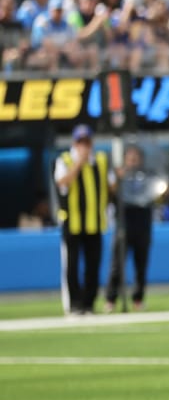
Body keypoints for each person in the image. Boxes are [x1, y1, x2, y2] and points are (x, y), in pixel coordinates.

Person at [53, 123, 112, 315]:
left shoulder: (101, 161)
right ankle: (75, 303)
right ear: (74, 143)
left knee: (93, 265)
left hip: (95, 222)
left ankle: (89, 303)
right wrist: (79, 163)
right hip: (73, 223)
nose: (84, 146)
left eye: (87, 142)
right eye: (81, 142)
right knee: (72, 265)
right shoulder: (65, 160)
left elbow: (112, 185)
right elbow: (62, 182)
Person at [105, 144, 160, 312]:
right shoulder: (119, 176)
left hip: (143, 226)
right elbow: (110, 193)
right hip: (124, 226)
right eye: (130, 158)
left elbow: (157, 195)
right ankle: (111, 299)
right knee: (117, 265)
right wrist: (117, 177)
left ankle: (138, 298)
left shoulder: (148, 176)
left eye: (136, 157)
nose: (133, 161)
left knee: (141, 265)